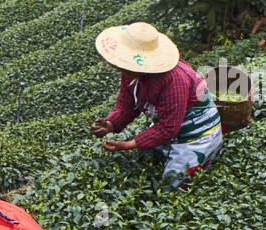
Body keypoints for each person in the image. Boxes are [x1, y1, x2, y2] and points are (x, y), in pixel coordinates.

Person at [90, 21, 222, 188]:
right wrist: (110, 123)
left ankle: (209, 150)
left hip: (196, 133)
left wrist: (129, 144)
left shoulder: (174, 80)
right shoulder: (129, 72)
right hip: (168, 124)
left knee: (173, 183)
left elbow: (168, 127)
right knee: (151, 158)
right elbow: (126, 106)